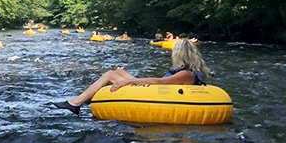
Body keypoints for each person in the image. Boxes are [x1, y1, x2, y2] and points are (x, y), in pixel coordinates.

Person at [51, 38, 211, 115]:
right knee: (116, 72)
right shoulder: (187, 71)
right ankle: (81, 100)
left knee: (111, 75)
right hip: (157, 93)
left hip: (158, 96)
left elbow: (158, 81)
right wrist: (127, 76)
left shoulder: (186, 74)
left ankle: (76, 103)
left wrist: (131, 80)